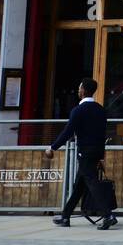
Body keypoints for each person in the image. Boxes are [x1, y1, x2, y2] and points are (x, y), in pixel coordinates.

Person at [43, 78, 116, 230]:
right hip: (96, 151)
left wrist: (52, 148)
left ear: (83, 91)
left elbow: (67, 132)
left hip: (85, 153)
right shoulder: (101, 110)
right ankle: (65, 216)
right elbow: (102, 135)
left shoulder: (78, 110)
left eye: (79, 88)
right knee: (79, 186)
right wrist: (101, 156)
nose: (78, 90)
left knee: (92, 182)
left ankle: (108, 215)